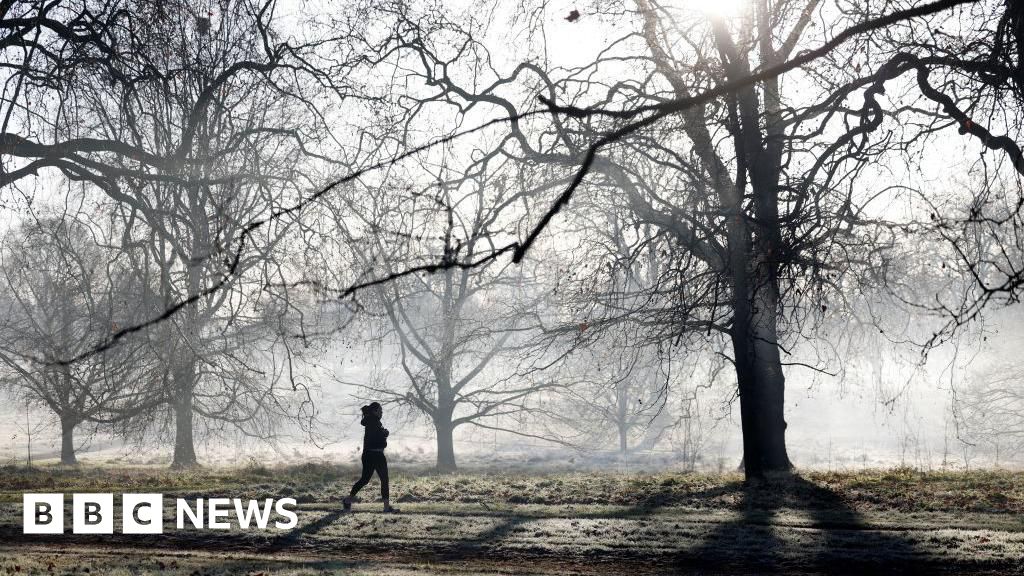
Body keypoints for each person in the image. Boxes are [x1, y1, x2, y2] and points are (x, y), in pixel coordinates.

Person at [343, 402, 398, 513]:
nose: (382, 412)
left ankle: (348, 500)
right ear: (375, 411)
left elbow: (373, 438)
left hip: (368, 455)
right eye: (380, 410)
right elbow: (377, 440)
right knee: (384, 479)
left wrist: (382, 434)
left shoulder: (370, 421)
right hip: (376, 455)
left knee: (365, 480)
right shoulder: (375, 422)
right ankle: (386, 508)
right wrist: (384, 434)